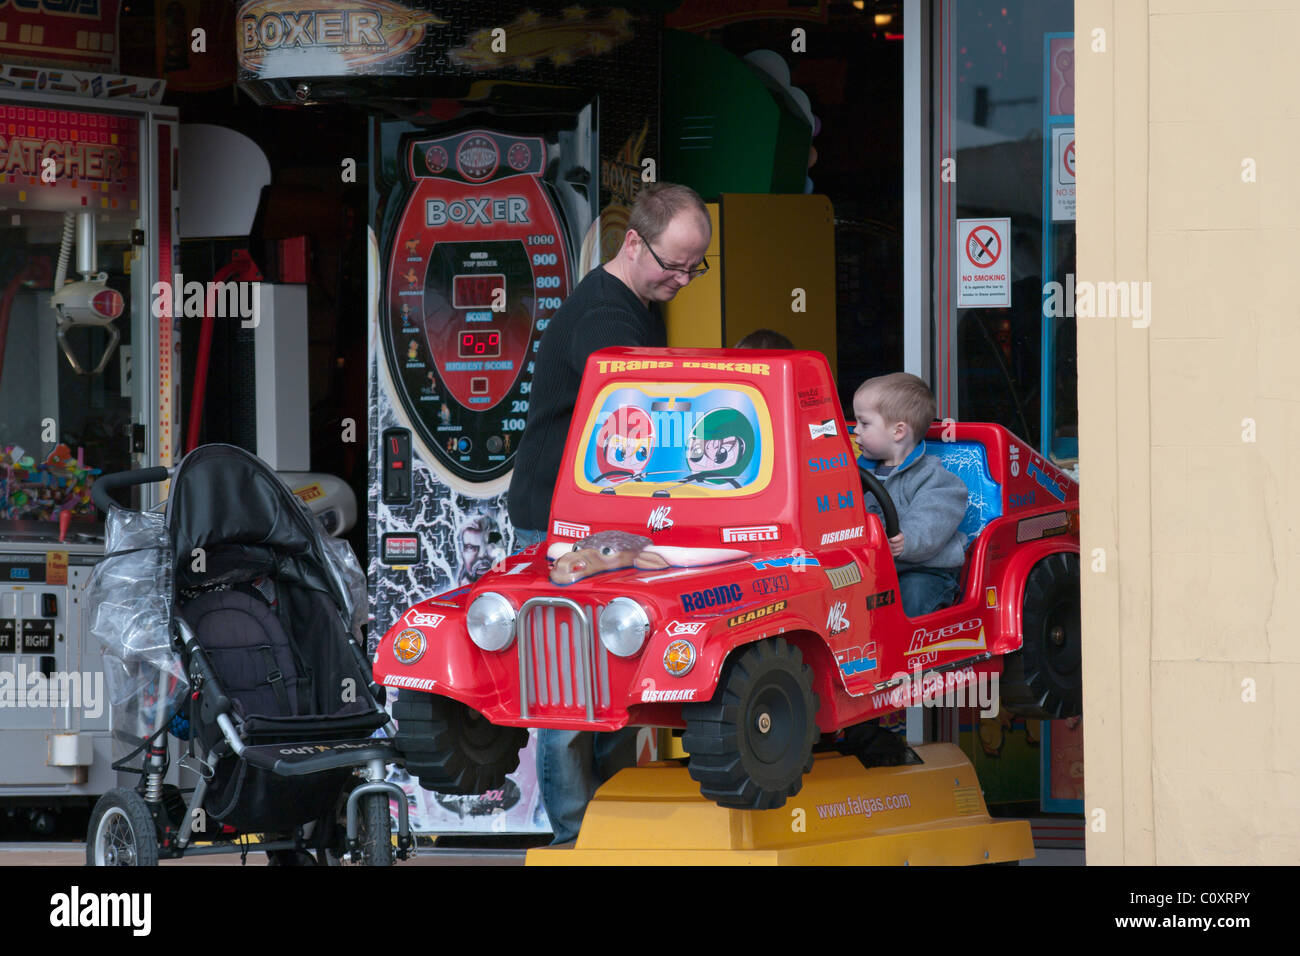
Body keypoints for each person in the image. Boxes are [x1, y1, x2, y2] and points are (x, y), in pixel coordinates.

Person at [506, 181, 712, 844]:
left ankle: (610, 830)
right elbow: (639, 418)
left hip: (588, 514)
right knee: (571, 689)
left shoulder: (630, 298)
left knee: (612, 679)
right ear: (632, 241)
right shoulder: (607, 317)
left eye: (694, 266)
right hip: (561, 519)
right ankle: (576, 838)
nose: (682, 279)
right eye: (673, 264)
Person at [851, 372, 969, 618]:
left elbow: (935, 515)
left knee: (913, 593)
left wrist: (908, 539)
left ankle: (906, 653)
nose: (856, 432)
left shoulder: (933, 477)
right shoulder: (856, 471)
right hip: (873, 568)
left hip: (924, 569)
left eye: (864, 423)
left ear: (898, 431)